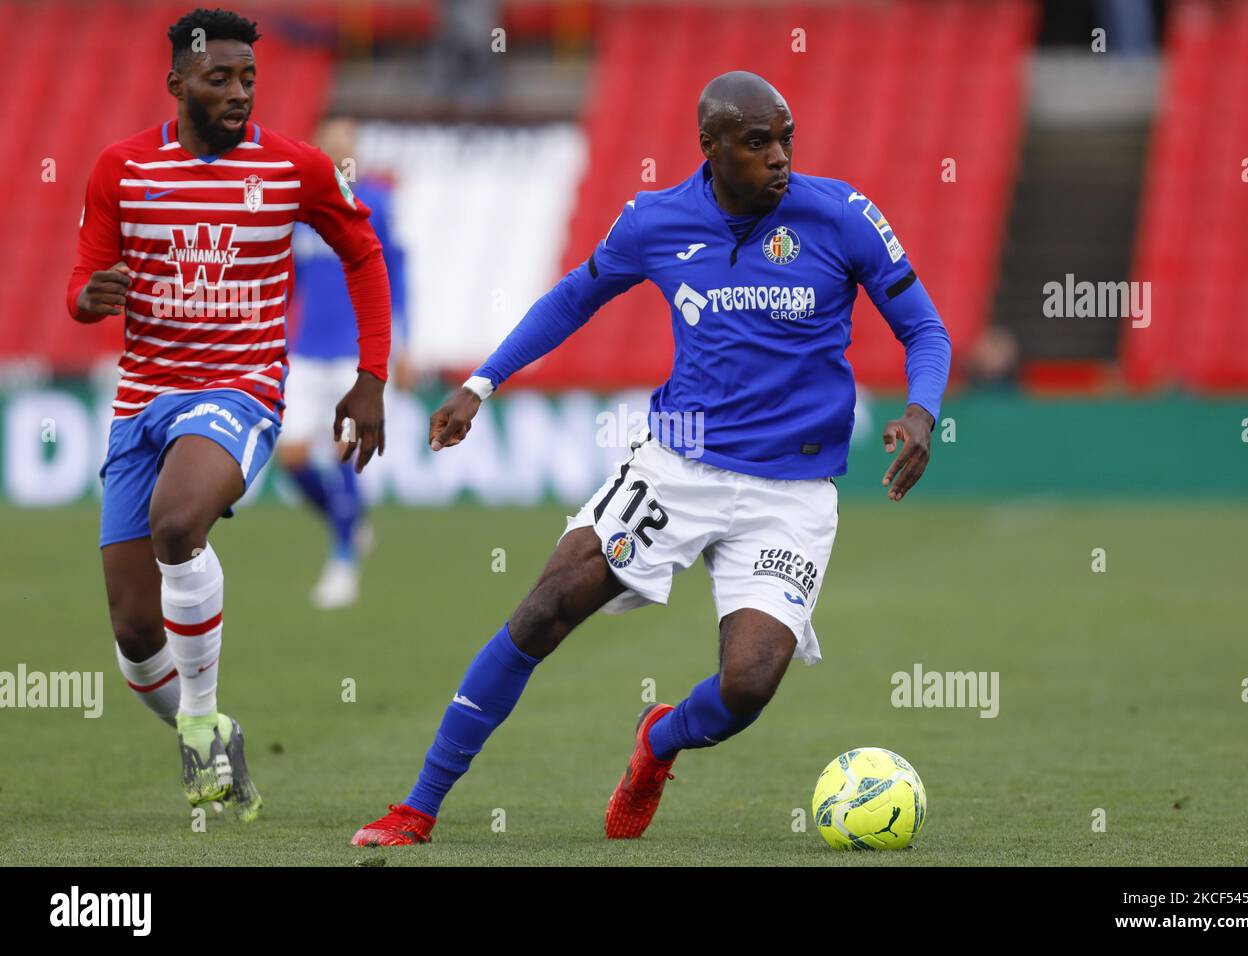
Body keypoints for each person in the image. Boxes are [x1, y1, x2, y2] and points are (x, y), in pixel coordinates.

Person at [351, 71, 949, 846]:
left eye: (787, 138)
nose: (780, 158)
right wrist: (480, 383)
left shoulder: (842, 216)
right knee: (544, 608)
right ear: (710, 147)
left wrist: (921, 411)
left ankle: (657, 742)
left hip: (792, 493)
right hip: (677, 468)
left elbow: (925, 329)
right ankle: (417, 808)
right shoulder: (655, 221)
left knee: (748, 685)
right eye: (759, 142)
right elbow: (574, 297)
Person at [68, 7, 391, 819]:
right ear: (177, 83)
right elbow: (82, 283)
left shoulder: (294, 168)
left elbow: (362, 250)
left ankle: (202, 724)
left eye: (250, 76)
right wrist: (88, 297)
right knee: (137, 638)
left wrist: (372, 375)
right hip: (142, 400)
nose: (241, 91)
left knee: (178, 525)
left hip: (240, 388)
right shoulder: (121, 169)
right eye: (222, 77)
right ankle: (208, 727)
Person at [279, 115, 410, 609]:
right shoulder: (301, 208)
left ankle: (342, 562)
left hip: (359, 353)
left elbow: (396, 273)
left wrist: (405, 341)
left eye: (348, 145)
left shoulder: (377, 203)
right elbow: (292, 281)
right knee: (290, 456)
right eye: (332, 145)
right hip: (307, 351)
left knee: (345, 453)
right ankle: (350, 524)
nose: (340, 153)